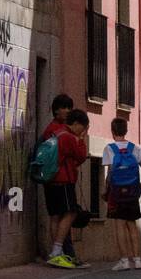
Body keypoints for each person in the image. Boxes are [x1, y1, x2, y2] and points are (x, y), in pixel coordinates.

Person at [102, 118, 141, 271]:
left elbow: (110, 172)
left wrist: (106, 190)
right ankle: (137, 260)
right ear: (126, 130)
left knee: (119, 225)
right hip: (133, 190)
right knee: (132, 225)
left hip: (117, 191)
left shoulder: (109, 148)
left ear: (112, 131)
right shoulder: (134, 148)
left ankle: (124, 261)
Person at [41, 93, 86, 267]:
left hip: (49, 178)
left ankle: (58, 251)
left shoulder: (49, 131)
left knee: (55, 215)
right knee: (70, 212)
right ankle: (57, 250)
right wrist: (81, 140)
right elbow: (80, 156)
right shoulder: (66, 135)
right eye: (63, 107)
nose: (66, 111)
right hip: (63, 177)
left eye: (69, 107)